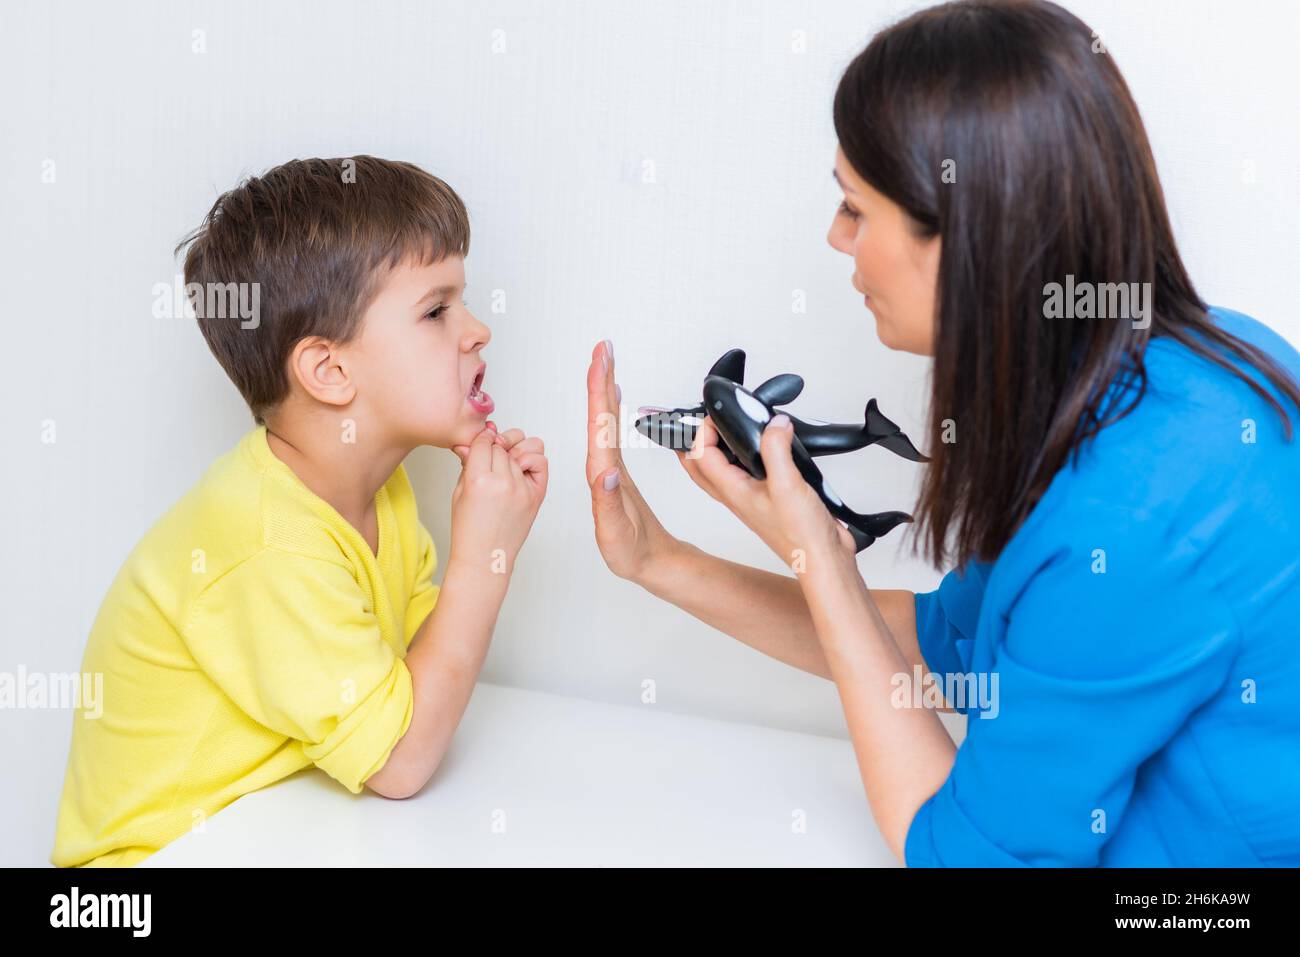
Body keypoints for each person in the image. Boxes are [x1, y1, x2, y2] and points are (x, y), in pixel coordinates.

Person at [584, 0, 1300, 866]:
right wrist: (655, 559)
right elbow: (943, 651)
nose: (835, 238)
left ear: (966, 236)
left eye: (855, 209)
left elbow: (965, 855)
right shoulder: (1214, 358)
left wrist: (819, 552)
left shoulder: (1128, 520)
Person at [52, 156, 548, 866]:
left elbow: (413, 686)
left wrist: (487, 538)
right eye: (437, 310)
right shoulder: (270, 542)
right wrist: (484, 559)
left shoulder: (383, 491)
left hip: (280, 828)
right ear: (330, 372)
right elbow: (402, 761)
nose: (477, 331)